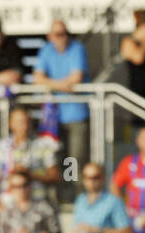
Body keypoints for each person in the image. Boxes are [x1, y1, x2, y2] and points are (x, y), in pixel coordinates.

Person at [33, 20, 89, 184]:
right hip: (53, 118)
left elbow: (76, 79)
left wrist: (49, 83)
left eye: (65, 34)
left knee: (74, 159)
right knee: (54, 158)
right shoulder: (46, 50)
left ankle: (75, 195)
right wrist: (63, 85)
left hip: (76, 114)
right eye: (57, 34)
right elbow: (37, 79)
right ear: (49, 36)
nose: (62, 38)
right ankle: (59, 194)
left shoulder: (77, 48)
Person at [0, 106, 60, 209]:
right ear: (11, 124)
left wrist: (30, 174)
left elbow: (55, 176)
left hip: (36, 203)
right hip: (8, 202)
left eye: (27, 121)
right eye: (20, 122)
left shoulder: (44, 144)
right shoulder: (2, 146)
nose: (24, 126)